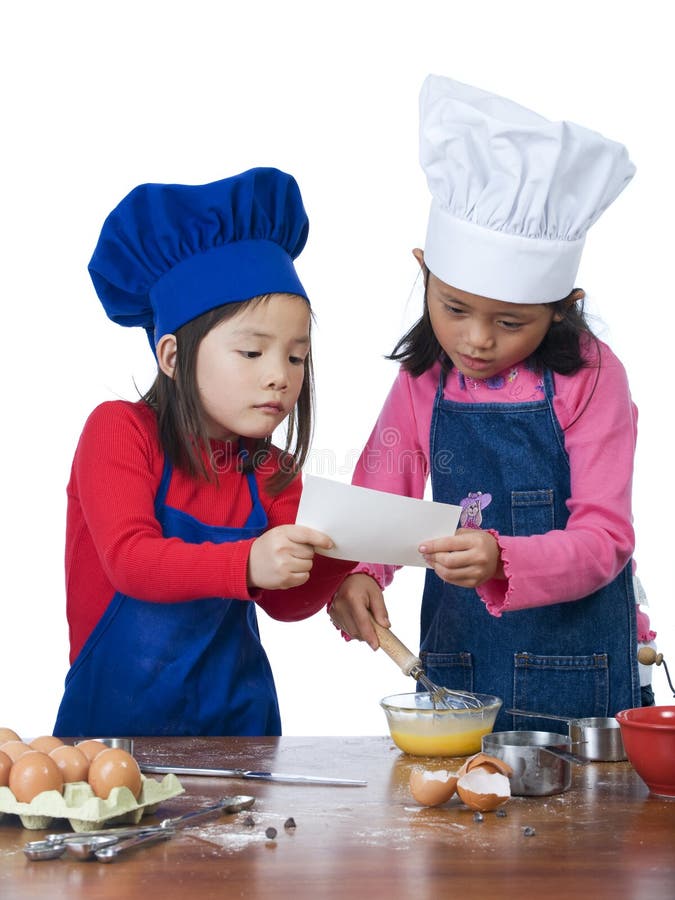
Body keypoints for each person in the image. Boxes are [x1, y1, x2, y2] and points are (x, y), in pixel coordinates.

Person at [329, 76, 655, 731]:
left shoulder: (591, 377)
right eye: (454, 308)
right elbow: (381, 498)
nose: (476, 340)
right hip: (460, 662)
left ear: (562, 308)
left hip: (579, 668)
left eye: (510, 323)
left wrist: (505, 558)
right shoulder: (423, 377)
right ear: (424, 270)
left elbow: (606, 538)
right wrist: (359, 571)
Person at [54, 167, 355, 738]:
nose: (280, 376)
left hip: (241, 735)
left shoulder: (269, 469)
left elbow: (285, 603)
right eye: (252, 353)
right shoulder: (119, 431)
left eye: (296, 357)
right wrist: (247, 562)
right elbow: (131, 561)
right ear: (172, 356)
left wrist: (346, 555)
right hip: (115, 739)